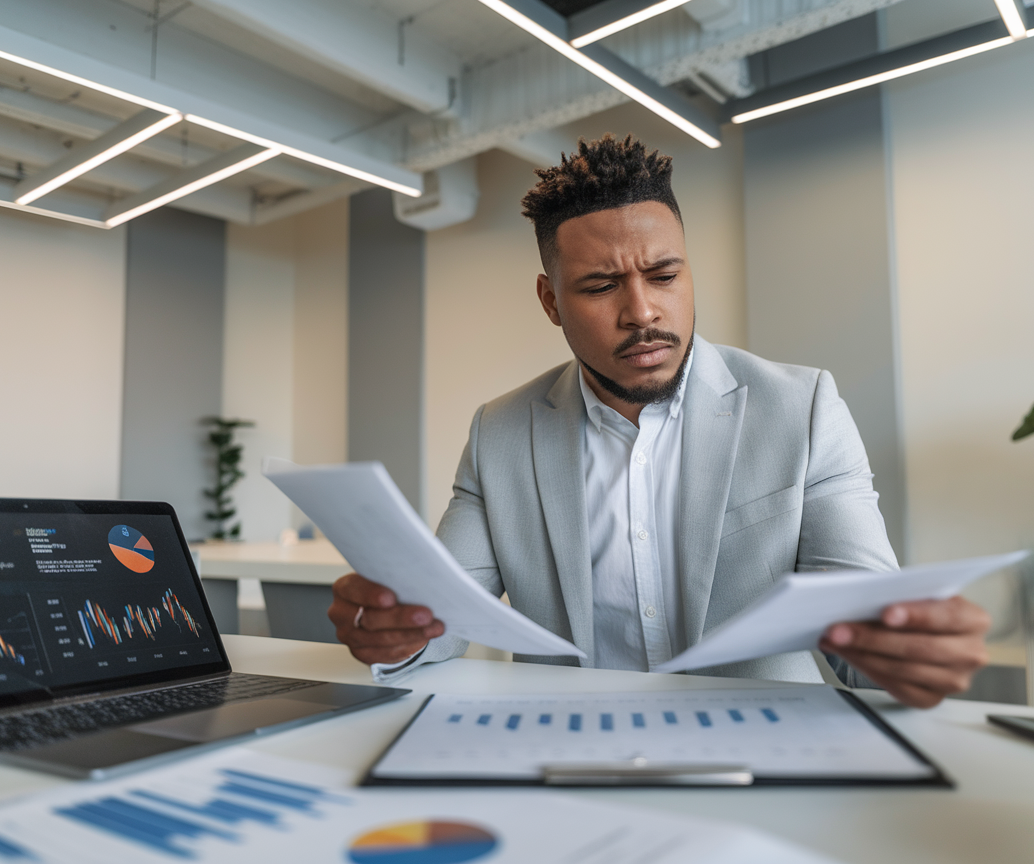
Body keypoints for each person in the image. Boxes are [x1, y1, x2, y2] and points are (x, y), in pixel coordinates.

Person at [328, 134, 990, 708]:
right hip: (568, 753)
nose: (642, 311)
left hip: (762, 754)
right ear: (550, 300)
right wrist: (394, 631)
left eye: (664, 274)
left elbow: (862, 629)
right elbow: (441, 624)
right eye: (599, 286)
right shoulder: (499, 432)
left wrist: (905, 648)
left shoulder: (804, 407)